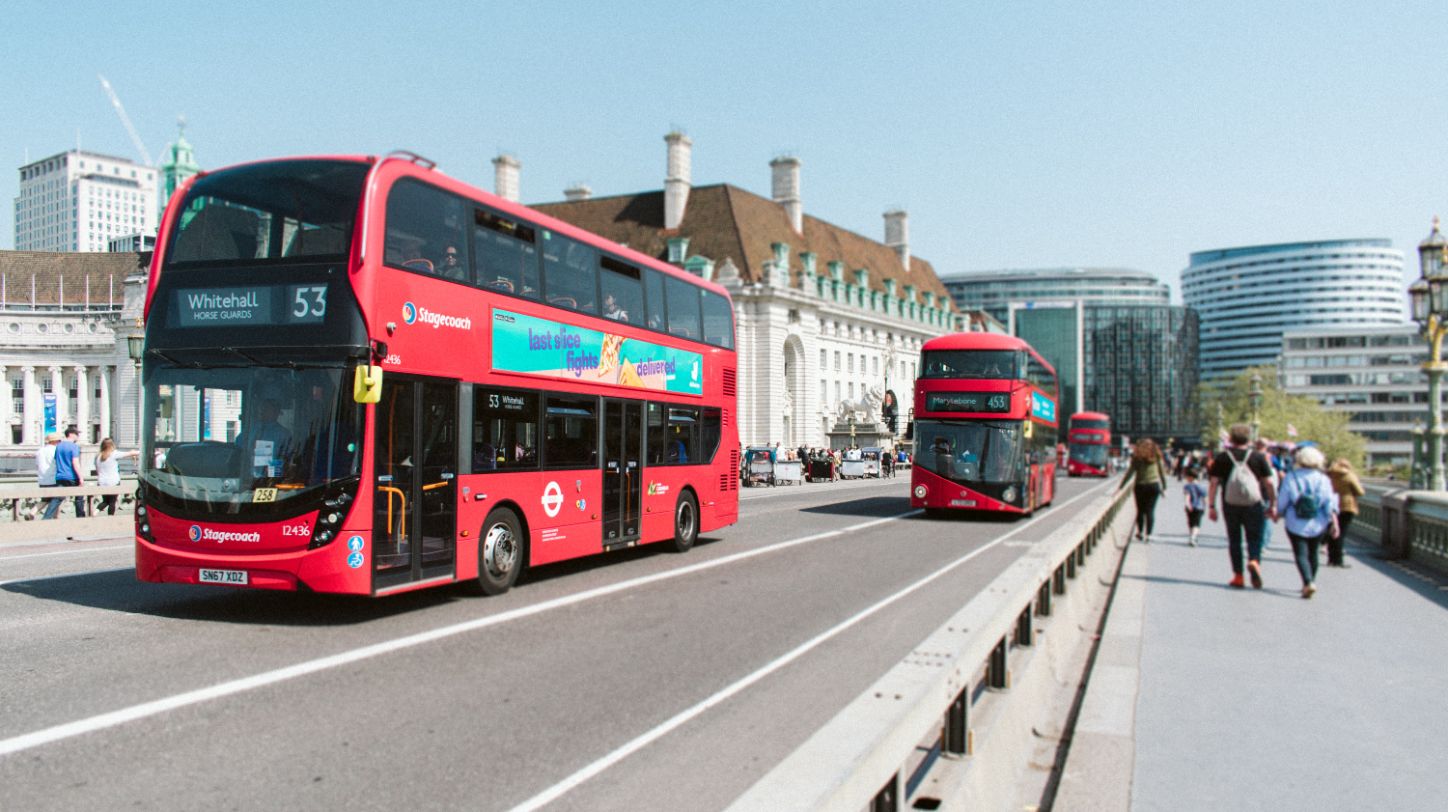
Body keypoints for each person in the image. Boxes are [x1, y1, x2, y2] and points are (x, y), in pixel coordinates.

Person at [1208, 424, 1278, 589]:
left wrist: (1211, 506)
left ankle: (1238, 576)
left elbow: (1213, 483)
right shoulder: (1257, 457)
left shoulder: (1223, 457)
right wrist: (1273, 503)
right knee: (1254, 537)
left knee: (1234, 540)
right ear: (1249, 439)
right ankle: (1254, 560)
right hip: (1253, 503)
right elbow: (1269, 482)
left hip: (1230, 503)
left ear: (1231, 439)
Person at [1274, 446, 1339, 599]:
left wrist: (1278, 512)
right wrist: (1334, 522)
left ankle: (1307, 581)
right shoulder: (1323, 479)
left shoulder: (1291, 477)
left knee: (1300, 553)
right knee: (1314, 552)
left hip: (1295, 521)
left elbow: (1283, 499)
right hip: (1318, 522)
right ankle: (1312, 581)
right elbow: (1329, 502)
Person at [239, 396, 292, 478]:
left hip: (270, 479)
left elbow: (286, 457)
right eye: (262, 408)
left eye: (267, 408)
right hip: (247, 478)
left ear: (276, 412)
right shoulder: (250, 429)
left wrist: (274, 476)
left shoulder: (283, 434)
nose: (263, 411)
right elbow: (238, 448)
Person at [1126, 438, 1168, 542]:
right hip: (1153, 485)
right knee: (1150, 511)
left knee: (1140, 510)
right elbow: (1162, 472)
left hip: (1140, 485)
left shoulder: (1137, 458)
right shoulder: (1156, 457)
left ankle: (1140, 532)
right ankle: (1148, 534)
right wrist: (1164, 486)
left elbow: (1130, 473)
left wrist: (1120, 487)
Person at [1326, 457, 1365, 567]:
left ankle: (1331, 558)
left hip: (1332, 504)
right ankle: (1338, 560)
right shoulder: (1349, 476)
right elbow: (1360, 492)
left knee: (1332, 531)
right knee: (1341, 533)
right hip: (1347, 506)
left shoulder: (1330, 475)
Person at [94, 438, 139, 515]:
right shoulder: (113, 454)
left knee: (105, 501)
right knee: (112, 502)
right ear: (111, 445)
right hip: (113, 481)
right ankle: (110, 518)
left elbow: (97, 470)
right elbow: (129, 453)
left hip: (102, 482)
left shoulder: (98, 456)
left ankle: (95, 511)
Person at [53, 427, 87, 518]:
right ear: (71, 434)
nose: (78, 437)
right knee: (79, 497)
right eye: (77, 434)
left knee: (58, 498)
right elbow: (75, 463)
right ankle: (80, 517)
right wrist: (81, 478)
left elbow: (56, 460)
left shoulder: (58, 446)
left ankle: (52, 516)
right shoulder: (74, 446)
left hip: (60, 476)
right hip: (72, 476)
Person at [35, 432, 62, 520]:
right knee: (57, 498)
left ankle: (32, 512)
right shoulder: (56, 450)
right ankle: (54, 517)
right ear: (56, 441)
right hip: (54, 479)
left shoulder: (40, 451)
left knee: (46, 499)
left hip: (42, 479)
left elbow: (37, 465)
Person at [1182, 468, 1207, 546]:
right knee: (1197, 524)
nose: (1186, 478)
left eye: (1187, 477)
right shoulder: (1202, 486)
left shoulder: (1187, 486)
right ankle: (1194, 536)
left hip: (1190, 507)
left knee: (1191, 522)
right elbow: (1204, 497)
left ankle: (1191, 536)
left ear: (1191, 477)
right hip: (1199, 507)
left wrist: (1187, 504)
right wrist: (1205, 506)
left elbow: (1187, 496)